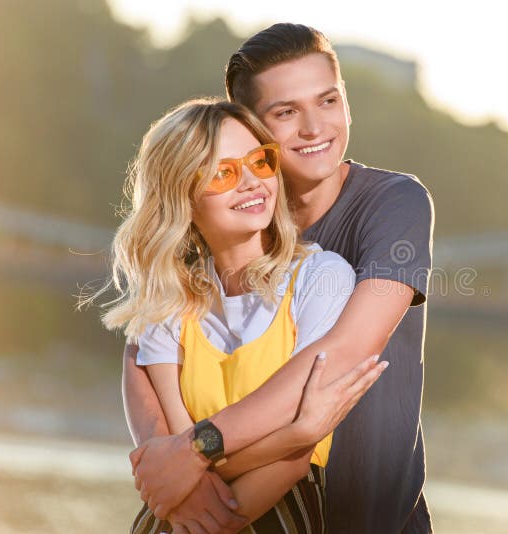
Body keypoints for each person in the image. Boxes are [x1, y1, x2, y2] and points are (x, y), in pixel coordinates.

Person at [127, 23, 435, 533]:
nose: (316, 128)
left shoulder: (393, 203)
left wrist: (192, 453)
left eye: (329, 101)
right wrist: (163, 462)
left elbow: (343, 352)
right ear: (251, 125)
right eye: (287, 112)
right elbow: (145, 345)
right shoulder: (232, 214)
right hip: (245, 506)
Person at [83, 97, 387, 533]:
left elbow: (295, 460)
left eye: (260, 162)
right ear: (181, 195)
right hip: (176, 520)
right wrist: (292, 435)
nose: (251, 182)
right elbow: (172, 454)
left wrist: (292, 442)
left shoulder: (321, 278)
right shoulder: (171, 299)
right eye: (224, 172)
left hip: (272, 514)